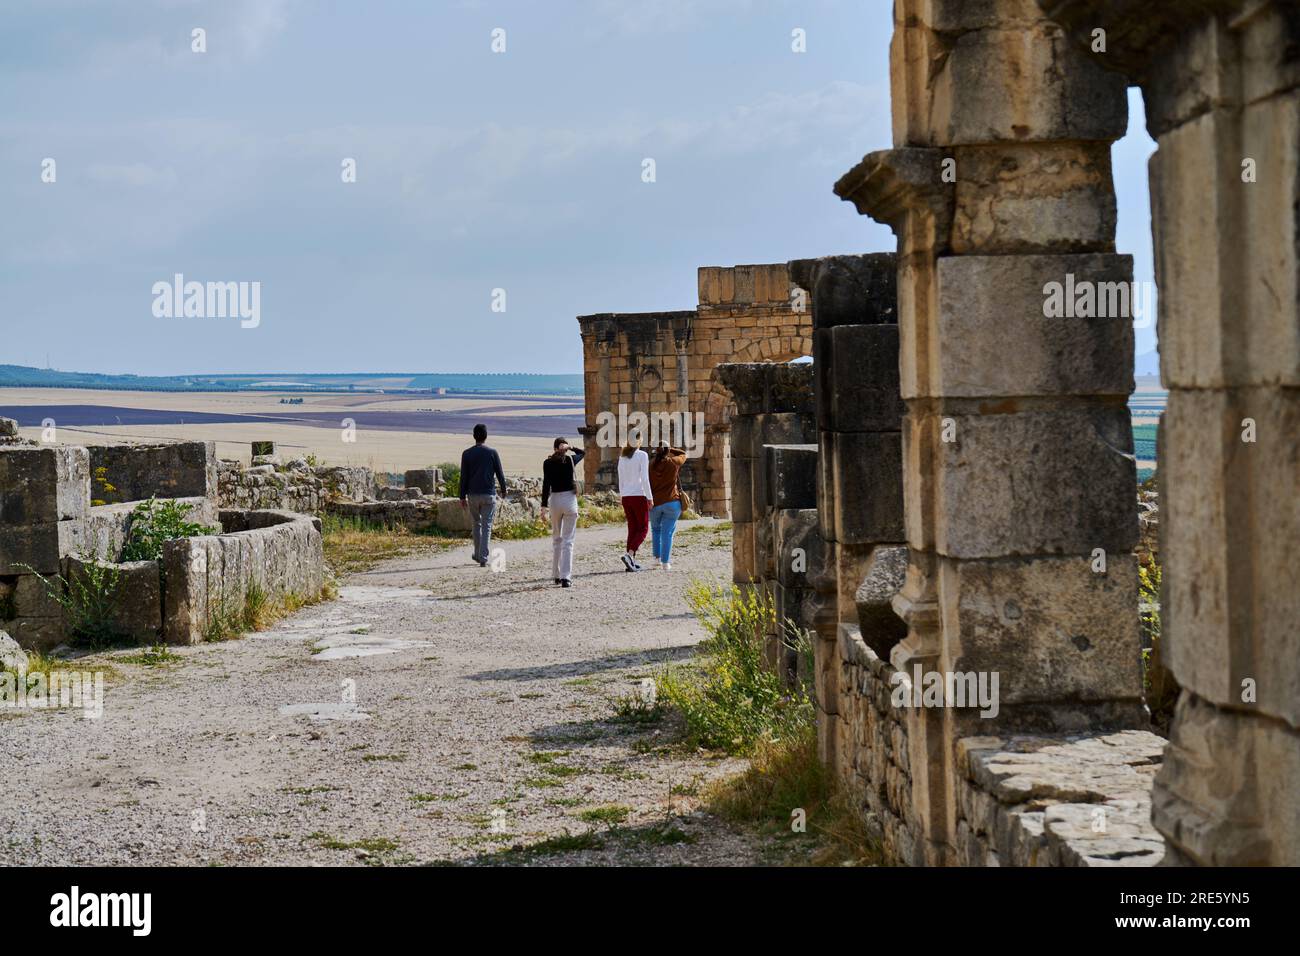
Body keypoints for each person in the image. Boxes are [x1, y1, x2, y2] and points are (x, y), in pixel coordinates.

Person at [459, 423, 507, 567]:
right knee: (487, 526)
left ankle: (477, 554)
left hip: (472, 495)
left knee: (476, 524)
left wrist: (461, 496)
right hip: (488, 495)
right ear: (486, 436)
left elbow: (464, 477)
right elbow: (500, 473)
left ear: (474, 436)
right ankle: (483, 557)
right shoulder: (492, 453)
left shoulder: (466, 454)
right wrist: (504, 489)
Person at [540, 437, 584, 588]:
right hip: (569, 500)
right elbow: (582, 452)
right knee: (568, 541)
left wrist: (543, 505)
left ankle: (556, 575)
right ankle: (566, 577)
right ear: (564, 448)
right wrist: (570, 447)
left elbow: (546, 484)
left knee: (556, 539)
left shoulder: (547, 463)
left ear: (554, 449)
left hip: (555, 501)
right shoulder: (571, 460)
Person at [648, 442, 687, 570]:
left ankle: (656, 559)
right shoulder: (673, 462)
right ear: (667, 451)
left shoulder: (651, 465)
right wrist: (672, 449)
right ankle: (665, 562)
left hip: (655, 503)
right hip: (672, 502)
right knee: (667, 532)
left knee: (655, 530)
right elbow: (683, 454)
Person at [616, 438, 652, 571]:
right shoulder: (642, 455)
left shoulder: (622, 457)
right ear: (639, 441)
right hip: (639, 495)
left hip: (626, 496)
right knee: (643, 528)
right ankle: (629, 554)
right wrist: (650, 497)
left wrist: (622, 495)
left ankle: (631, 561)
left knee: (632, 528)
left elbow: (620, 478)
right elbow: (644, 478)